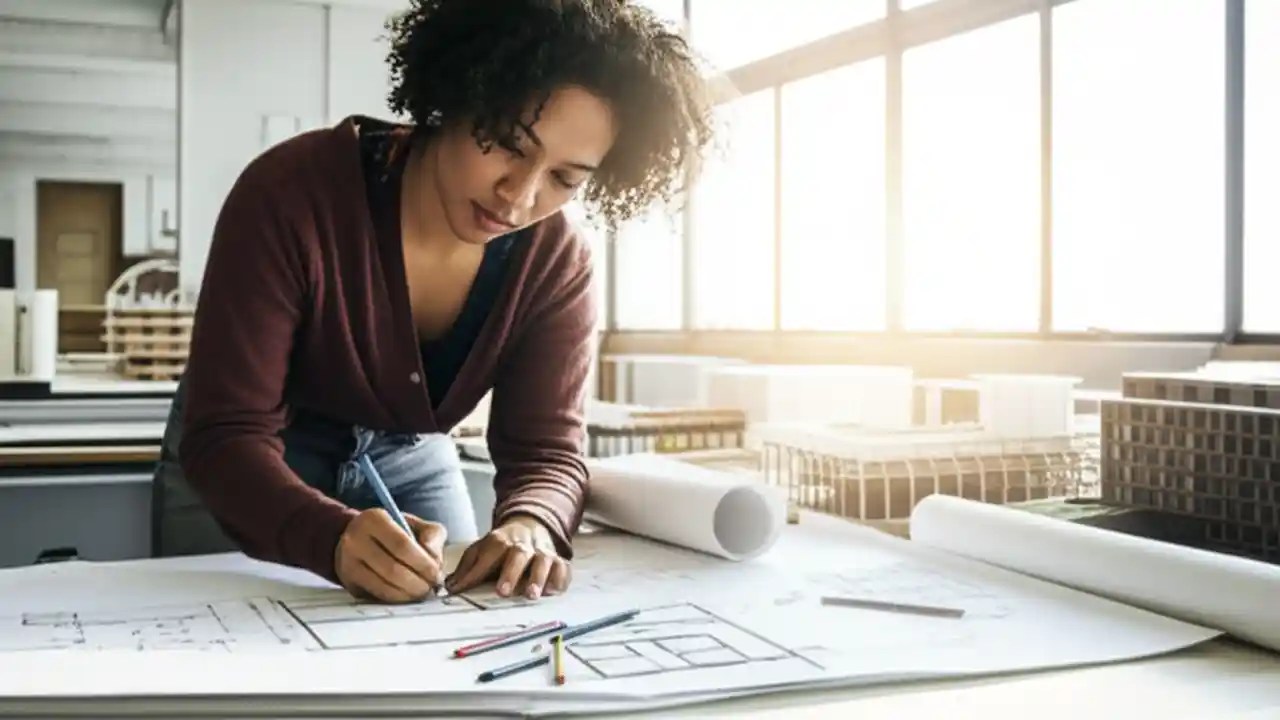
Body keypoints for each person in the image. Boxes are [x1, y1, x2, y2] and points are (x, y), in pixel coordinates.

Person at [153, 0, 713, 604]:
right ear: (452, 95)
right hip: (246, 461)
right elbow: (227, 433)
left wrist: (530, 524)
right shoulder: (290, 193)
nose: (520, 197)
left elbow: (546, 451)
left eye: (565, 179)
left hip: (411, 455)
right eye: (505, 143)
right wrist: (330, 538)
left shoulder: (557, 263)